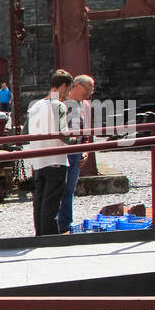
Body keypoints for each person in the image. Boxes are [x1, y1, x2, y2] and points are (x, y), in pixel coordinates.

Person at [27, 70, 74, 236]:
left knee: (39, 201)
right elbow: (63, 134)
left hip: (38, 161)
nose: (68, 94)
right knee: (52, 203)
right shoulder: (59, 105)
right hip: (55, 159)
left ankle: (40, 234)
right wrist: (75, 141)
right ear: (62, 86)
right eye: (68, 90)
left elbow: (26, 131)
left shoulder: (35, 106)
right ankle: (49, 238)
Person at [59, 74, 95, 233]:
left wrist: (85, 150)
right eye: (89, 88)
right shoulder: (62, 103)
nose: (91, 92)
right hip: (63, 151)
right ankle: (56, 224)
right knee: (59, 188)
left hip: (77, 151)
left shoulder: (85, 105)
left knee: (69, 190)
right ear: (78, 86)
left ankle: (65, 223)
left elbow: (86, 131)